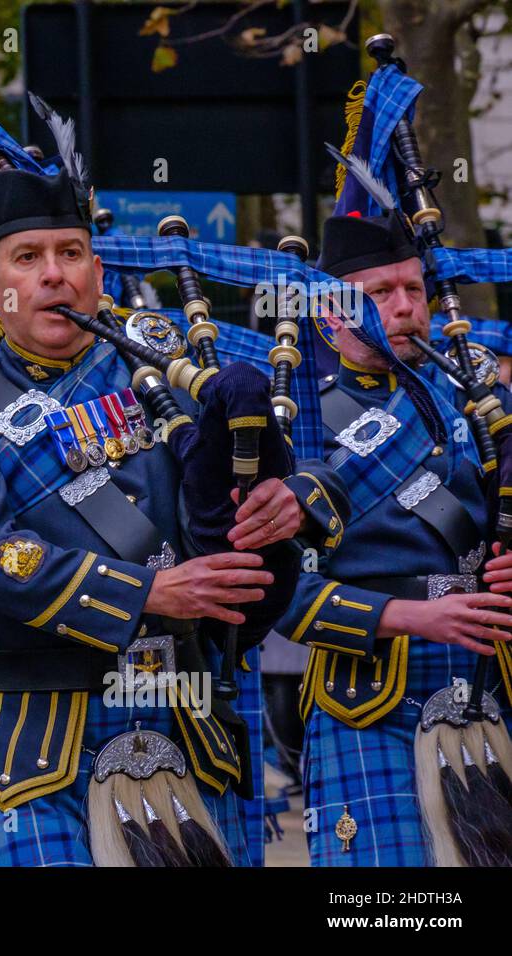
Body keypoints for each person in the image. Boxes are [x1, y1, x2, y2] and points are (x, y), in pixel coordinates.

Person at [0, 166, 330, 866]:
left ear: (97, 272)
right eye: (28, 258)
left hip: (185, 725)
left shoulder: (171, 377)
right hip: (35, 745)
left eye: (70, 254)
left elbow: (267, 488)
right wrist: (147, 593)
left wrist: (293, 499)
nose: (54, 275)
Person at [273, 212, 512, 865]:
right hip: (367, 697)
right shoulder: (299, 422)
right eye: (379, 293)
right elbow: (279, 590)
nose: (406, 307)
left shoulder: (481, 406)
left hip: (488, 680)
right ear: (331, 314)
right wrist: (413, 616)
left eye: (414, 289)